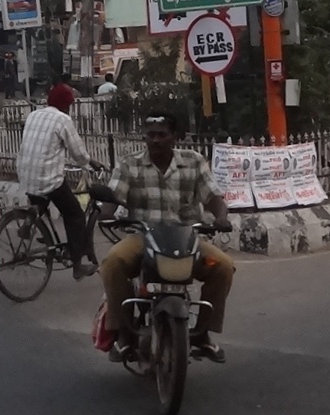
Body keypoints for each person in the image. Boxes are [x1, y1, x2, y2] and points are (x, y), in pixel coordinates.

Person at [93, 116, 236, 362]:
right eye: (151, 135)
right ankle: (124, 332)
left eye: (162, 134)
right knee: (112, 263)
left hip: (186, 237)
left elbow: (213, 196)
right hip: (143, 237)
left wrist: (221, 217)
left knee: (223, 266)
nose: (156, 140)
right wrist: (106, 214)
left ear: (175, 137)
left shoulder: (194, 161)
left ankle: (202, 334)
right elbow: (114, 195)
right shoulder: (129, 163)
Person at [15, 82, 97, 279]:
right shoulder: (63, 120)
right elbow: (77, 152)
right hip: (47, 177)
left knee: (41, 197)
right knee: (75, 215)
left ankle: (30, 219)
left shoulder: (34, 114)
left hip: (26, 174)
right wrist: (90, 163)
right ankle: (77, 265)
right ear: (66, 105)